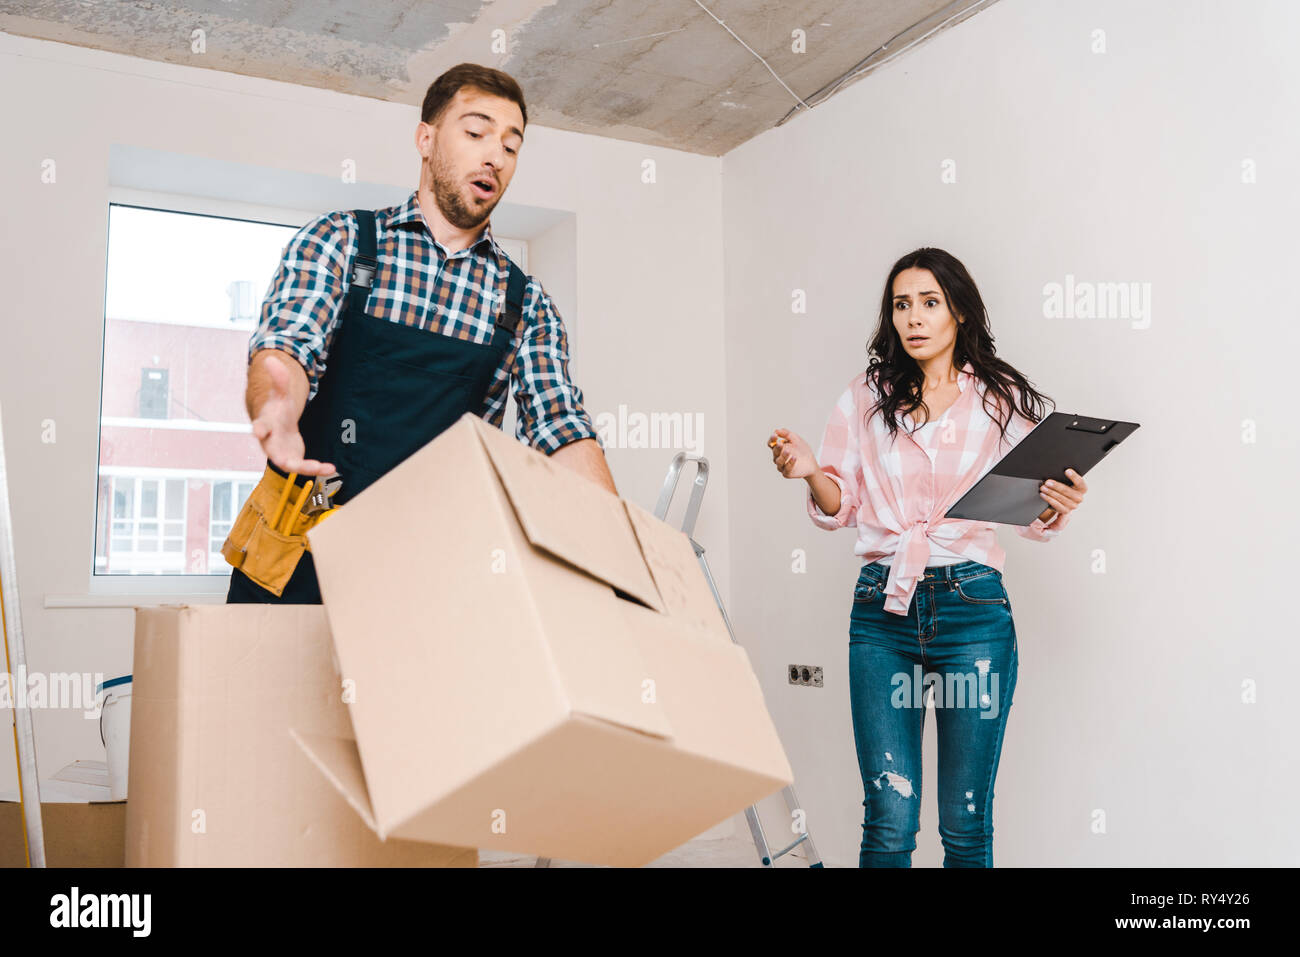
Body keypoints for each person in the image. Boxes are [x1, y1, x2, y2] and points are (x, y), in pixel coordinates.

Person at [225, 62, 614, 603]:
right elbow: (287, 348)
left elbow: (560, 426)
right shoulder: (341, 241)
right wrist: (277, 410)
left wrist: (618, 549)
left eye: (511, 145)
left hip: (424, 575)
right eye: (476, 132)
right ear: (426, 139)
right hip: (296, 552)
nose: (494, 156)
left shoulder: (525, 303)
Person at [768, 247, 1088, 867]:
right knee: (890, 819)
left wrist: (1060, 499)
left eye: (929, 303)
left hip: (973, 610)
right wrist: (811, 471)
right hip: (881, 611)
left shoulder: (1000, 399)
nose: (913, 317)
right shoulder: (867, 395)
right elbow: (844, 503)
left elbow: (1032, 505)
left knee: (965, 822)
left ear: (959, 313)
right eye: (901, 304)